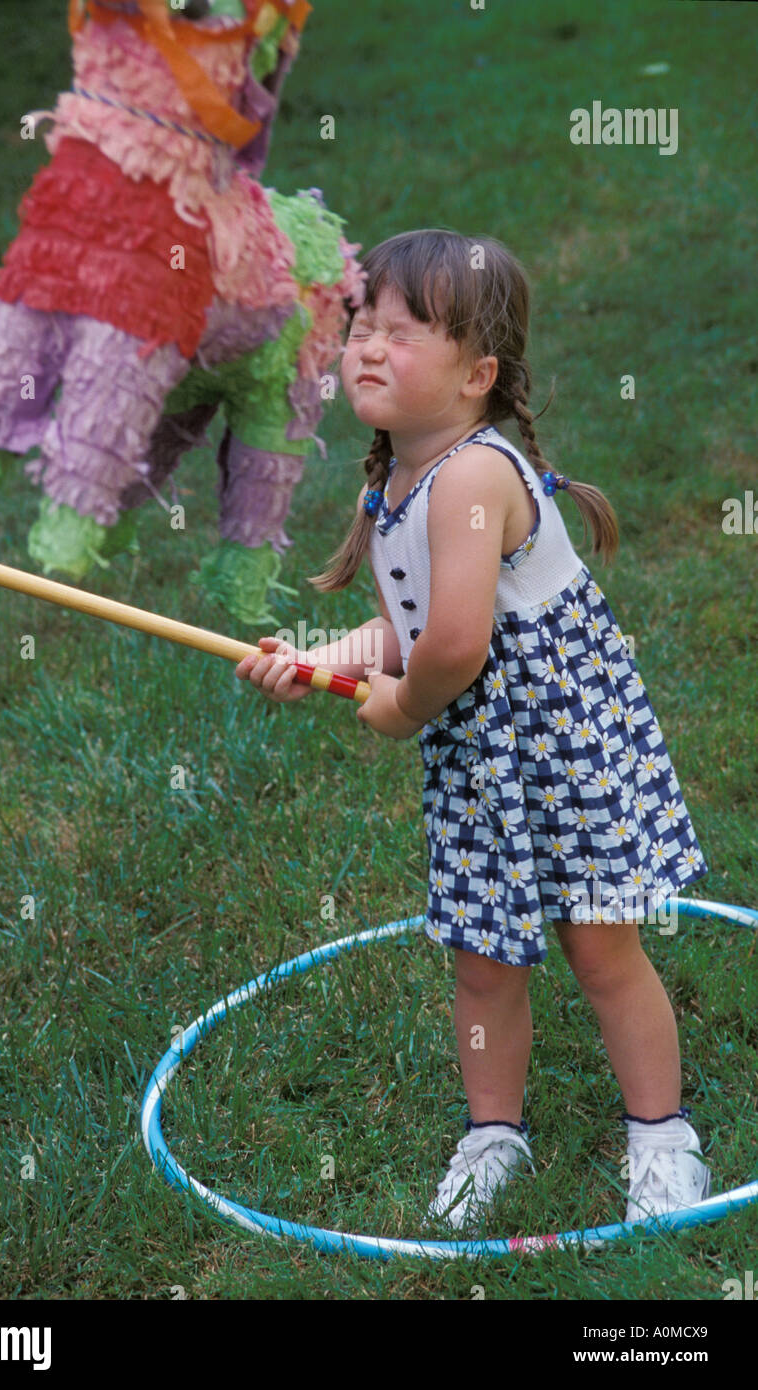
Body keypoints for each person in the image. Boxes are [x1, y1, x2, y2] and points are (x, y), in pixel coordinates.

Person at [234, 228, 712, 1231]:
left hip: (559, 744)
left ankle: (661, 1131)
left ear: (476, 375)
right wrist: (320, 661)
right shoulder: (393, 484)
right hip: (484, 761)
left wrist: (398, 711)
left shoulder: (474, 477)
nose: (368, 344)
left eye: (403, 333)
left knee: (600, 946)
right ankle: (494, 1131)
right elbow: (405, 630)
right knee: (482, 956)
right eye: (364, 323)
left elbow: (448, 650)